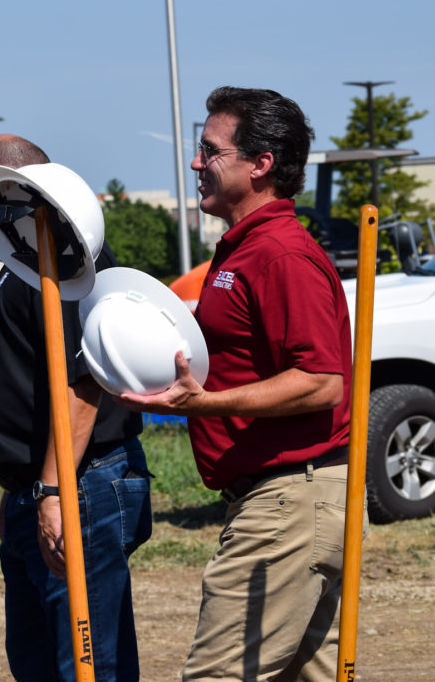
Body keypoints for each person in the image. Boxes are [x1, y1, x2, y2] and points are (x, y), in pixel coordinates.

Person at [121, 87, 354, 682]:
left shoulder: (279, 254)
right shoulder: (246, 250)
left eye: (209, 149)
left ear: (260, 164)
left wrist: (204, 404)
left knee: (217, 677)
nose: (196, 163)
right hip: (283, 496)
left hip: (288, 501)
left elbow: (323, 381)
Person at [0, 134, 153, 681]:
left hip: (79, 487)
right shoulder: (22, 257)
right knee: (38, 661)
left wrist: (50, 490)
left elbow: (83, 383)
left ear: (6, 188)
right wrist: (18, 488)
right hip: (41, 489)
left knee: (91, 666)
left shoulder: (66, 255)